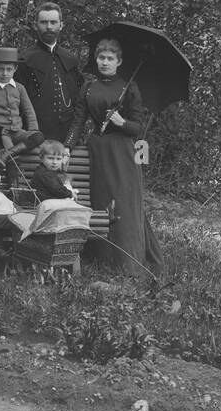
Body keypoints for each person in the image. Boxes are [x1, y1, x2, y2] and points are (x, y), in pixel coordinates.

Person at [70, 37, 163, 278]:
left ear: (119, 62)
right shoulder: (88, 87)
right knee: (101, 203)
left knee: (123, 204)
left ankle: (129, 263)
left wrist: (122, 123)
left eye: (110, 58)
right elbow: (79, 120)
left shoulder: (128, 87)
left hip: (123, 152)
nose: (104, 62)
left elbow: (138, 129)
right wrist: (67, 146)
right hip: (97, 151)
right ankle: (102, 258)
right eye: (101, 58)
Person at [16, 2, 85, 146]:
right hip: (37, 138)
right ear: (36, 25)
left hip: (68, 139)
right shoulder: (25, 59)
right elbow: (15, 103)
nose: (49, 27)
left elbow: (79, 100)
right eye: (44, 22)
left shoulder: (70, 59)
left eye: (53, 22)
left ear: (61, 25)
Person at [0, 46, 44, 171]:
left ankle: (6, 153)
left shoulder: (19, 88)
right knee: (14, 161)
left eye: (9, 69)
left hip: (17, 131)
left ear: (15, 69)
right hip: (1, 133)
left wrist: (33, 131)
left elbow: (29, 111)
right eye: (1, 69)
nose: (5, 73)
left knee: (38, 136)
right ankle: (14, 187)